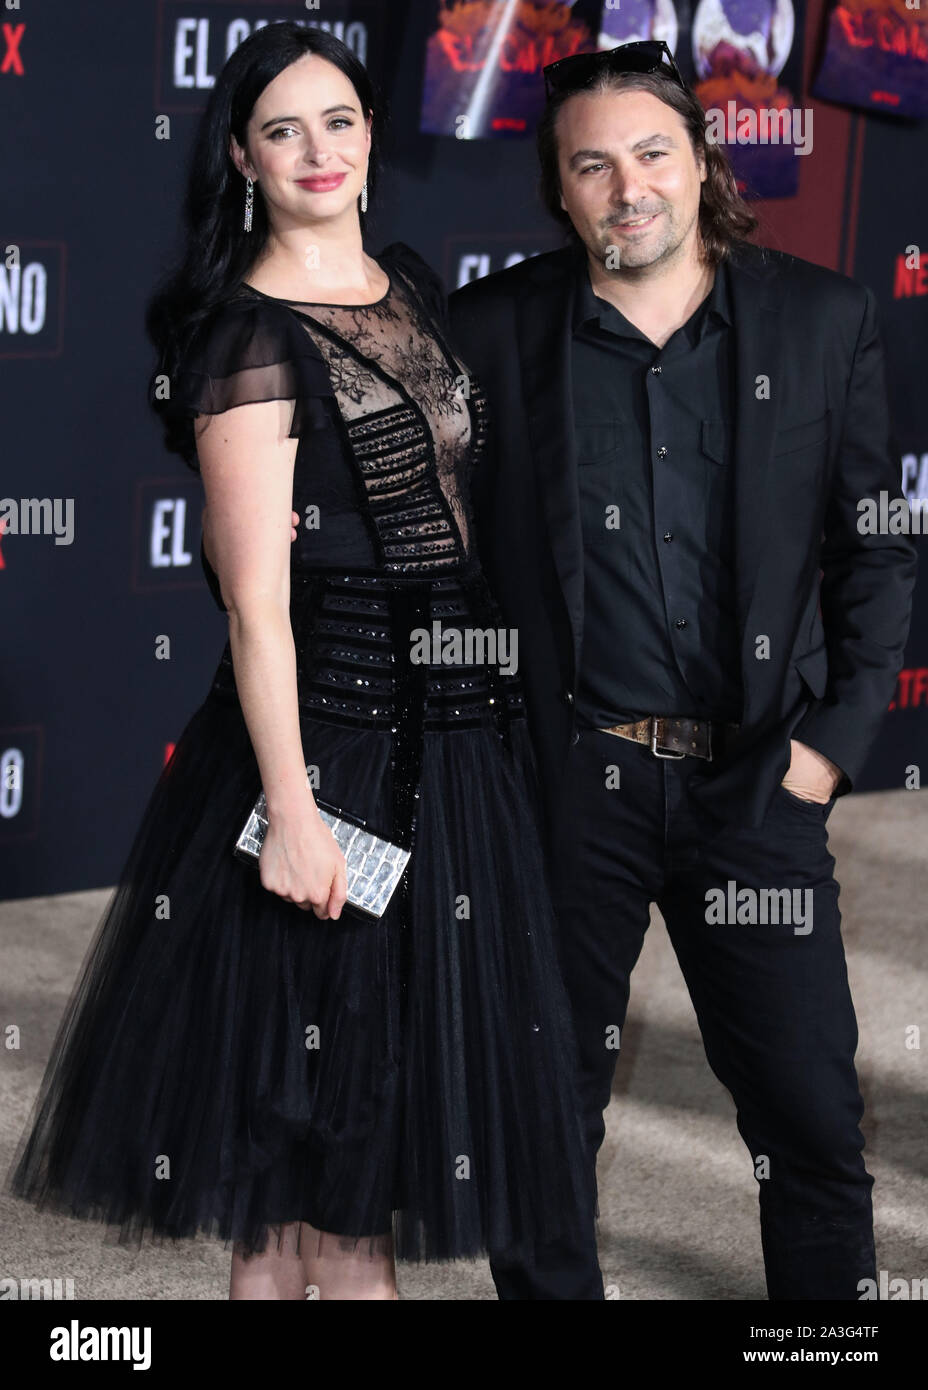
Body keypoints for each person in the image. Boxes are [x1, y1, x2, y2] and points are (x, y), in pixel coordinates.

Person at [6, 23, 597, 1301]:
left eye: (338, 120)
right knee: (301, 1169)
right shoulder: (247, 338)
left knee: (356, 1160)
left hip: (447, 738)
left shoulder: (408, 282)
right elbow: (255, 610)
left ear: (374, 137)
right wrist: (289, 814)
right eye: (283, 129)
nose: (316, 150)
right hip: (323, 741)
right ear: (242, 159)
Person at [446, 41, 918, 1300]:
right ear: (559, 188)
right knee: (538, 1127)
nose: (626, 186)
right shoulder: (492, 334)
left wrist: (828, 748)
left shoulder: (822, 320)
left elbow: (877, 548)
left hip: (757, 783)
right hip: (569, 786)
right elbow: (435, 550)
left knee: (811, 1120)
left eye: (651, 152)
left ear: (701, 160)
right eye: (590, 164)